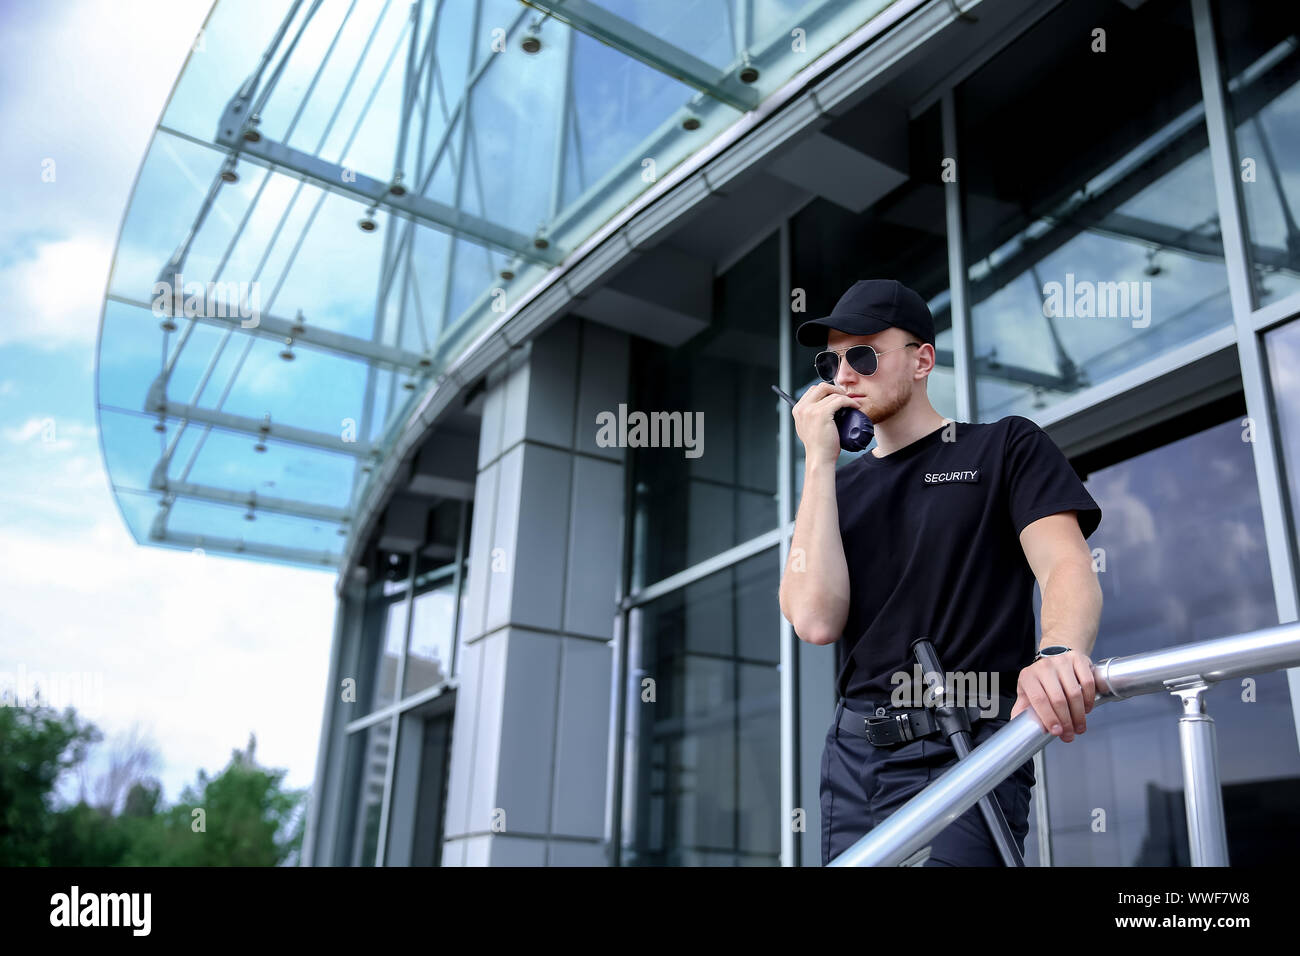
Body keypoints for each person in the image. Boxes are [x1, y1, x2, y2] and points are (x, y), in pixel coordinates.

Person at [778, 278, 1104, 866]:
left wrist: (1057, 651)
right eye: (830, 360)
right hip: (856, 756)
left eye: (863, 354)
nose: (843, 375)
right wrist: (819, 462)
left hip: (967, 741)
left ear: (922, 359)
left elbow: (1066, 564)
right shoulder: (834, 489)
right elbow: (814, 619)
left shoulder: (1003, 447)